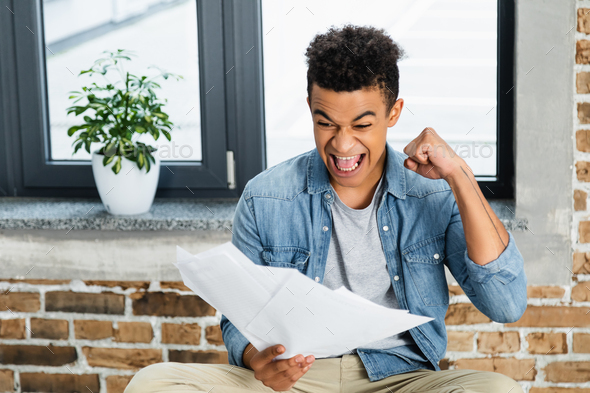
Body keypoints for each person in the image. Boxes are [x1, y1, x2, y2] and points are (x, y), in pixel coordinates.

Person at [125, 24, 527, 393]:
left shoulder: (433, 192)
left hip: (397, 379)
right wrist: (257, 361)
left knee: (497, 390)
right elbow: (237, 319)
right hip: (294, 380)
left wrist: (460, 175)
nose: (343, 144)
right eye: (326, 123)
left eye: (361, 125)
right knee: (154, 383)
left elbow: (506, 305)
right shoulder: (266, 196)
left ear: (394, 113)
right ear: (310, 109)